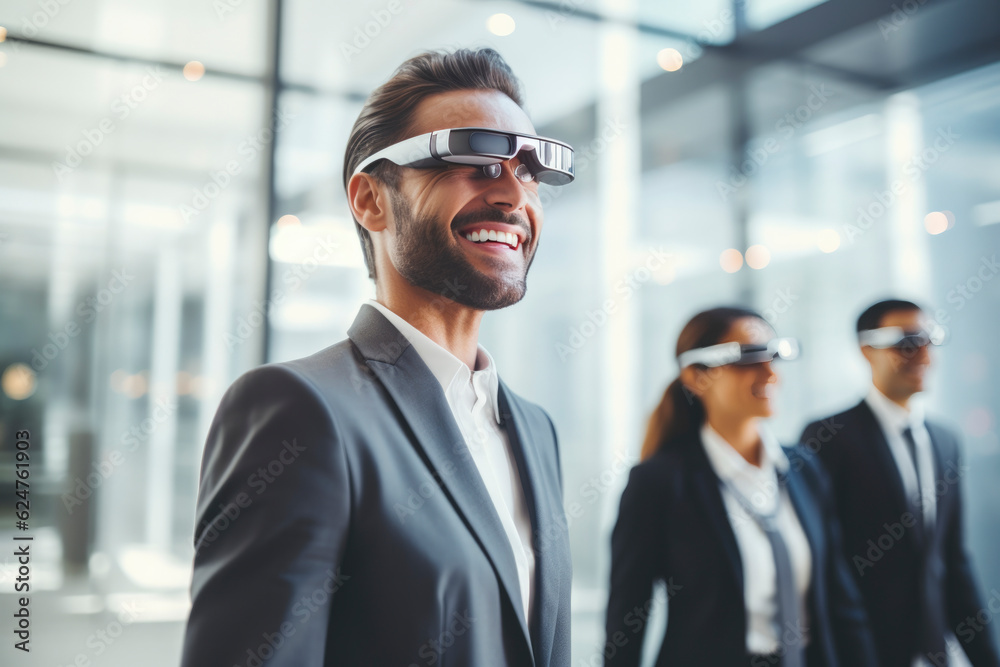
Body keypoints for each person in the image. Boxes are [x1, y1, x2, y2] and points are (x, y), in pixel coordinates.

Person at [180, 48, 576, 667]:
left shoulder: (534, 430)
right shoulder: (300, 410)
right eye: (472, 159)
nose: (511, 194)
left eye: (528, 172)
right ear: (370, 200)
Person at [605, 307, 878, 667]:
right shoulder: (659, 482)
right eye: (749, 358)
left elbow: (842, 602)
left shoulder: (804, 468)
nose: (770, 373)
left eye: (775, 356)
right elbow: (627, 618)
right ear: (696, 377)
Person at [800, 299, 1000, 667]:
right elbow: (823, 564)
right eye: (906, 343)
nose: (922, 355)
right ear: (867, 350)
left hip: (935, 649)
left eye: (929, 340)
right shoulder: (829, 437)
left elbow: (953, 559)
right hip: (863, 650)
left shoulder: (945, 440)